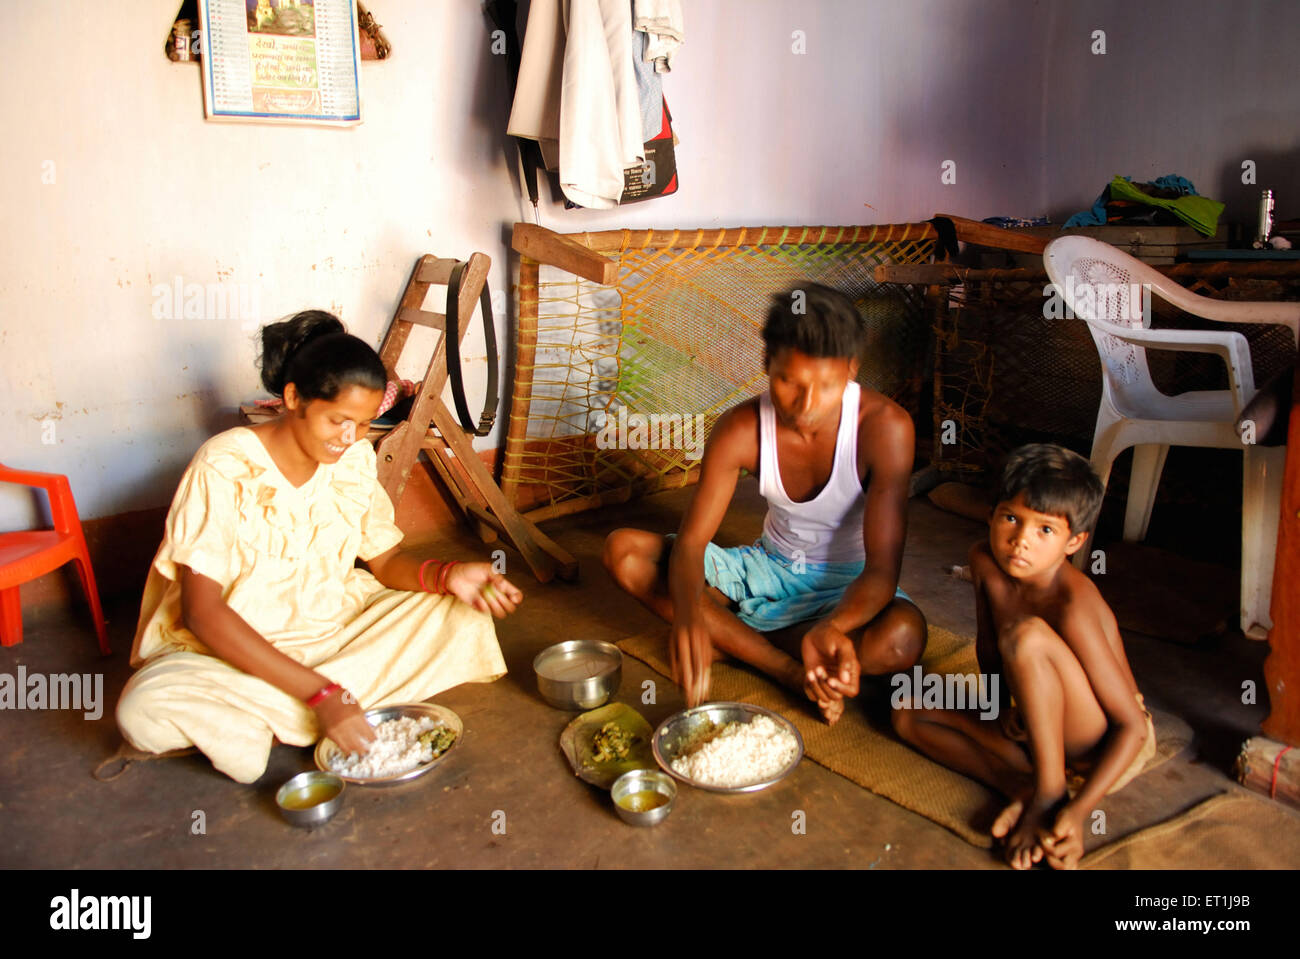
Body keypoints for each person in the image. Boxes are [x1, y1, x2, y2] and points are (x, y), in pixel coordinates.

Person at [116, 310, 522, 783]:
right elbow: (202, 614)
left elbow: (385, 560)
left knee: (461, 615)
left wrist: (447, 575)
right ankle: (324, 705)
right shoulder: (225, 465)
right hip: (234, 650)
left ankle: (275, 718)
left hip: (333, 627)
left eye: (364, 423)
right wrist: (324, 694)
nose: (348, 438)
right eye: (337, 420)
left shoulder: (353, 459)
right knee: (145, 707)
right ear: (293, 398)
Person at [603, 284, 926, 724]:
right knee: (624, 553)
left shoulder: (886, 428)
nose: (805, 407)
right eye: (787, 382)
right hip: (767, 572)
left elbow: (882, 570)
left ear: (852, 369)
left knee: (901, 639)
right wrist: (687, 619)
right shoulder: (740, 429)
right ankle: (789, 670)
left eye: (826, 386)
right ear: (766, 364)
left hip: (848, 587)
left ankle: (739, 640)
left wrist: (834, 627)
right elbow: (693, 545)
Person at [891, 444, 1156, 870]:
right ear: (991, 514)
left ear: (1075, 542)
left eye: (1045, 530)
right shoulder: (984, 559)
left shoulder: (1073, 605)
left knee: (1027, 636)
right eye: (1010, 518)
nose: (1020, 541)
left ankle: (1053, 796)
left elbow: (1132, 728)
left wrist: (1079, 811)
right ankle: (1024, 789)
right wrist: (1001, 710)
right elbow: (989, 648)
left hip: (1101, 741)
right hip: (1036, 725)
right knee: (907, 708)